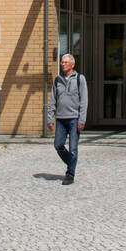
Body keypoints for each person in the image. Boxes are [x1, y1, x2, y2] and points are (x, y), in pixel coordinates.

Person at [46, 53, 87, 185]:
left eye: (65, 62)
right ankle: (71, 161)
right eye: (62, 62)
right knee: (58, 145)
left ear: (72, 64)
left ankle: (70, 175)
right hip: (61, 119)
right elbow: (53, 100)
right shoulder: (57, 80)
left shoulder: (80, 79)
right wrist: (49, 118)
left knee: (73, 148)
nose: (62, 64)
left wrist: (82, 120)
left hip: (74, 119)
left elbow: (84, 101)